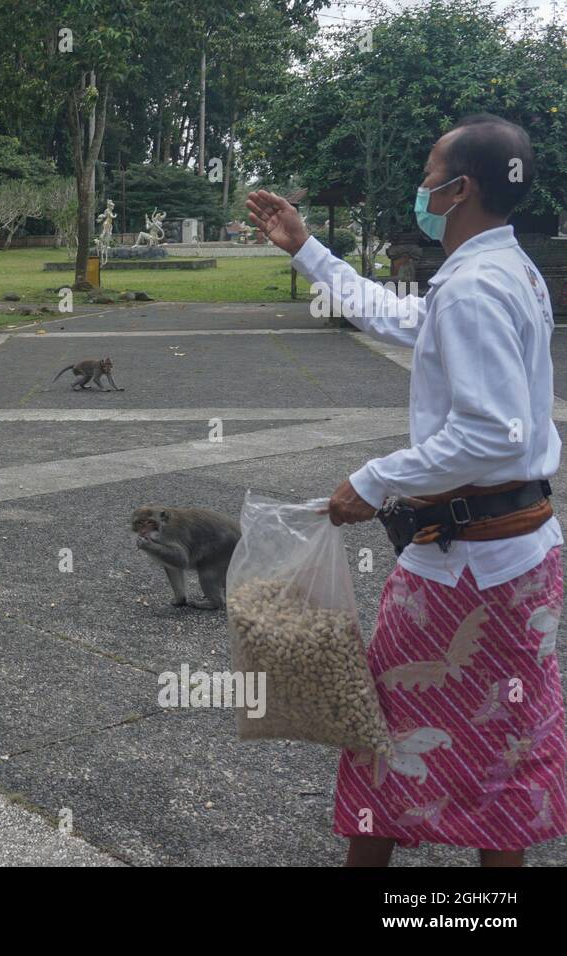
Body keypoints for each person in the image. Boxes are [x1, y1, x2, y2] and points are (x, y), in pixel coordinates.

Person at [248, 114, 564, 867]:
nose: (420, 187)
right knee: (504, 748)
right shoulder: (501, 270)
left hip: (465, 568)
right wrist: (309, 251)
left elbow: (493, 435)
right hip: (515, 557)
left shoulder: (476, 287)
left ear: (460, 190)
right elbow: (401, 317)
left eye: (429, 174)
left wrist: (372, 481)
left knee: (383, 728)